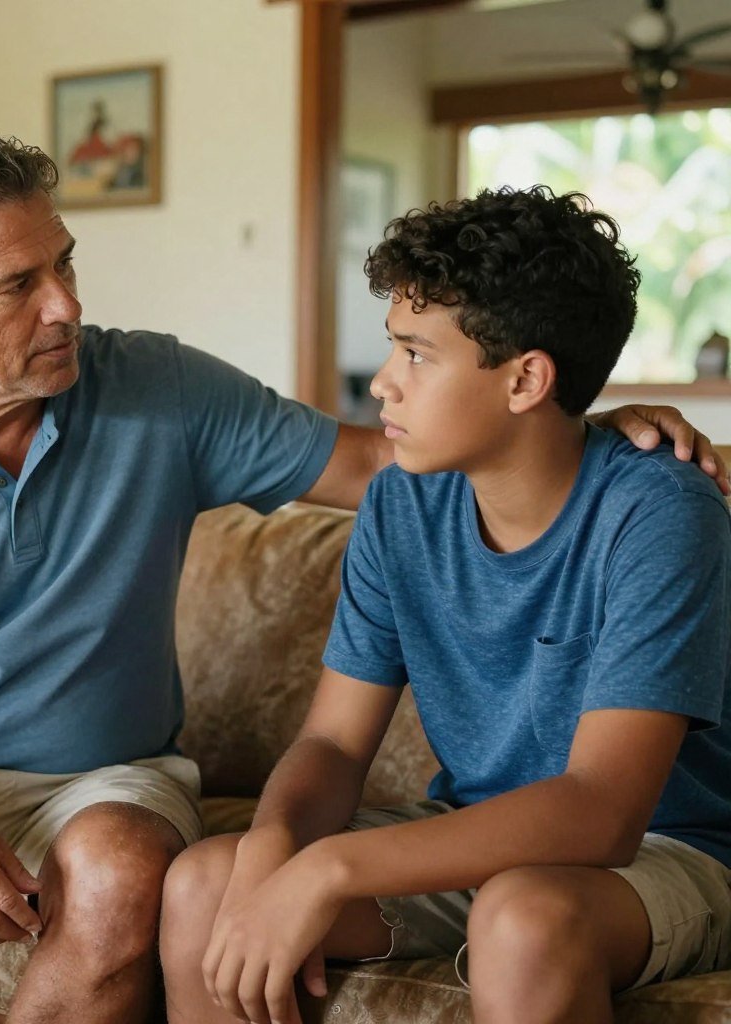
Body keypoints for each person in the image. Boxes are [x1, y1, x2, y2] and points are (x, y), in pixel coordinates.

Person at [0, 131, 719, 1024]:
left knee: (152, 876)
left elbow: (401, 456)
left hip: (106, 788)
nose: (67, 304)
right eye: (19, 286)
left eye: (63, 264)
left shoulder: (160, 387)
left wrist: (588, 421)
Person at [160, 186, 731, 1024]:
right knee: (208, 882)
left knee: (525, 921)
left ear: (527, 378)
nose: (384, 385)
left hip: (663, 852)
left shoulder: (660, 512)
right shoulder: (401, 504)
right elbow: (330, 740)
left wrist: (328, 870)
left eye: (417, 354)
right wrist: (274, 847)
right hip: (477, 832)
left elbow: (603, 812)